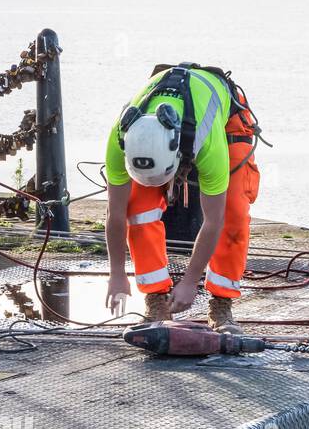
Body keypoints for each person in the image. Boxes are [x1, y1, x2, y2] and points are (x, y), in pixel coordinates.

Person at [104, 62, 261, 330]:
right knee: (137, 208)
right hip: (162, 124)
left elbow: (214, 220)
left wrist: (190, 282)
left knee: (233, 211)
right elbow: (115, 214)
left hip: (227, 123)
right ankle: (156, 300)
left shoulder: (207, 140)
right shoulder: (121, 138)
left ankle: (221, 305)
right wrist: (117, 274)